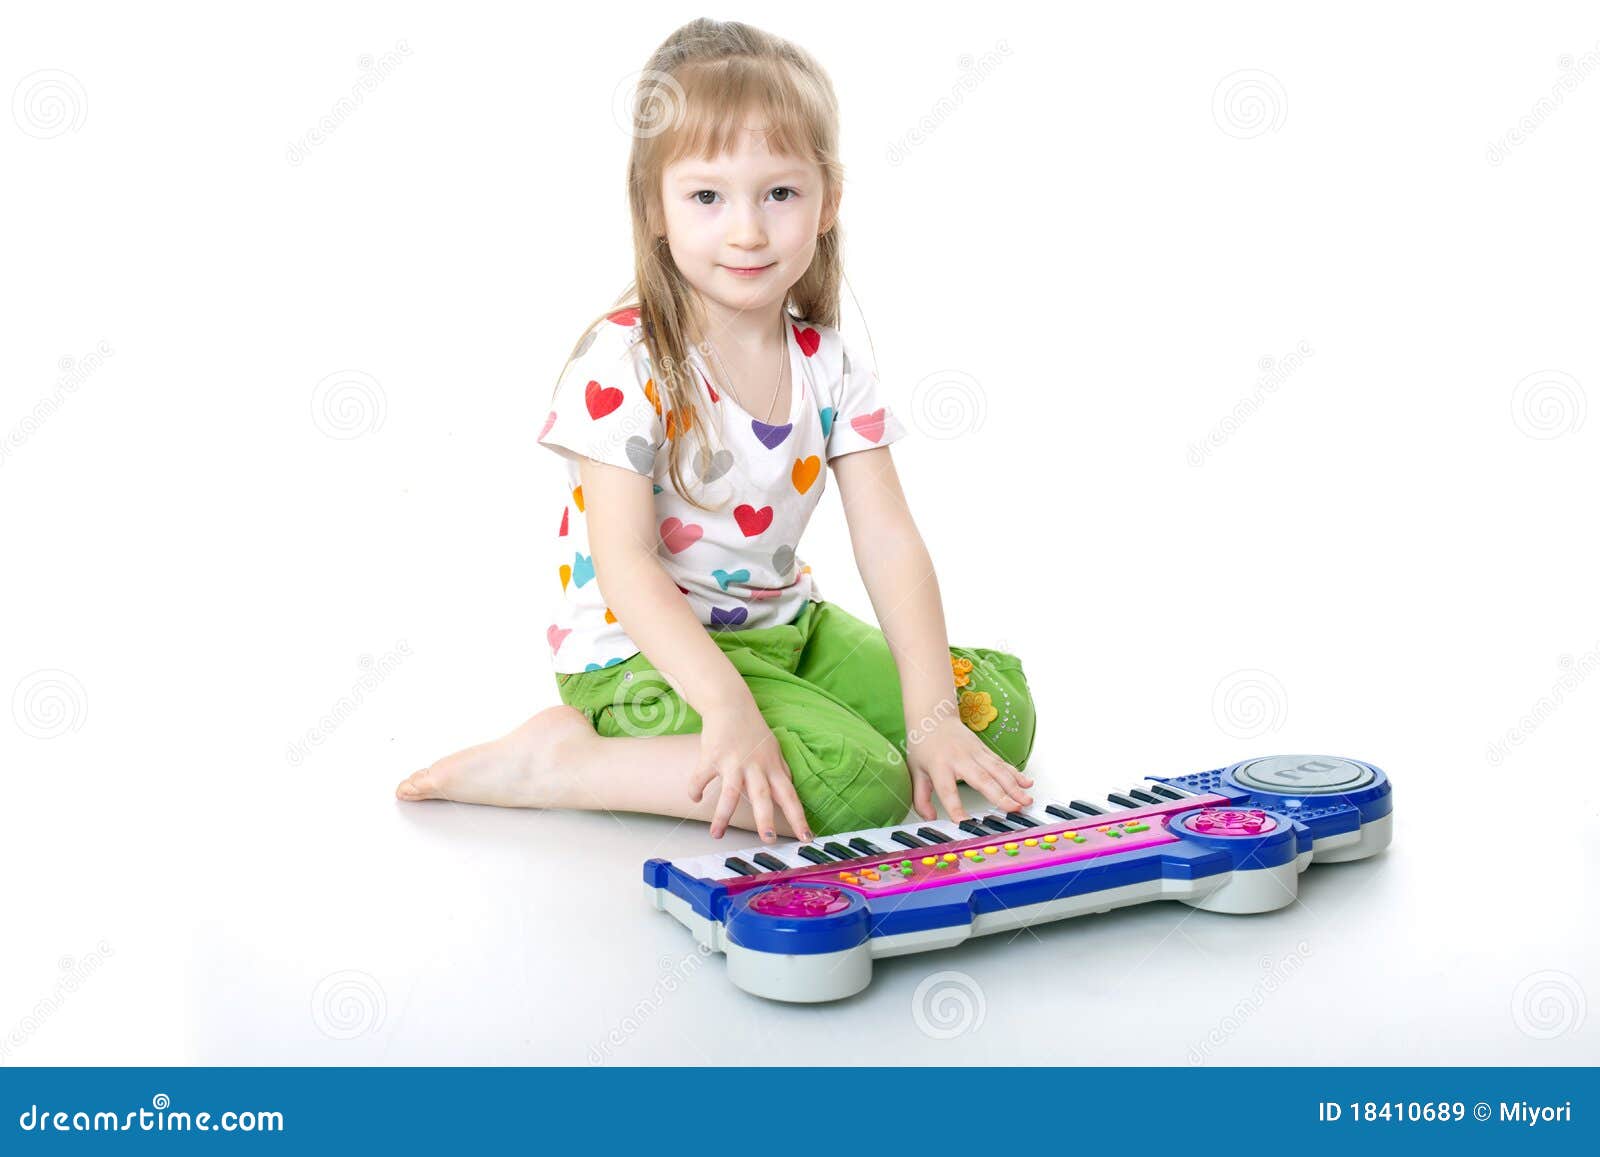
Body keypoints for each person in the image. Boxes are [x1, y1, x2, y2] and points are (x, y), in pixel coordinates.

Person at [395, 18, 1037, 844]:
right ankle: (561, 763)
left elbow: (888, 537)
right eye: (707, 196)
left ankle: (819, 715)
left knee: (994, 718)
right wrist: (728, 709)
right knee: (860, 787)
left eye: (780, 192)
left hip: (783, 629)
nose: (747, 229)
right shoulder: (627, 360)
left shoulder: (831, 362)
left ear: (828, 199)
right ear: (654, 208)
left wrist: (933, 715)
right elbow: (623, 563)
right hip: (640, 657)